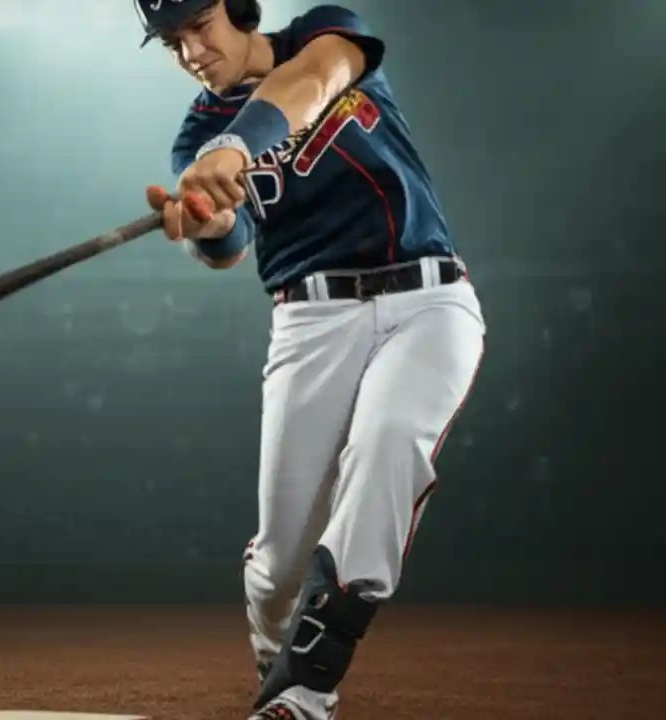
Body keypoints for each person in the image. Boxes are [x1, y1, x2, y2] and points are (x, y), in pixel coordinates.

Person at [133, 1, 488, 718]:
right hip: (310, 319)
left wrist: (232, 152)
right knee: (279, 565)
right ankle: (278, 657)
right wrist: (204, 221)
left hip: (429, 298)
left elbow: (315, 80)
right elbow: (228, 245)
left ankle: (305, 687)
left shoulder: (323, 31)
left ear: (238, 8)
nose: (190, 52)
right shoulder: (196, 137)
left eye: (199, 26)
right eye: (172, 41)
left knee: (388, 447)